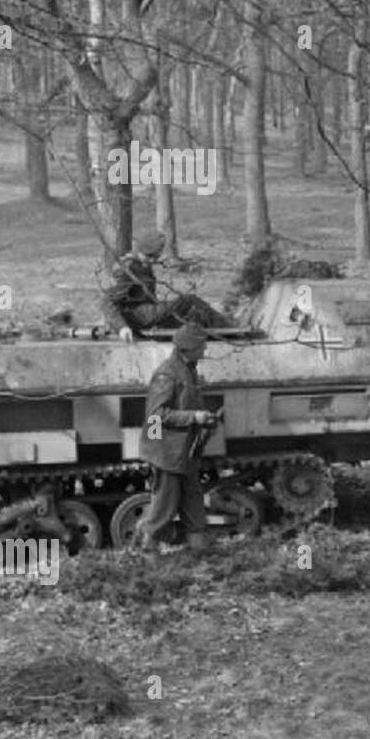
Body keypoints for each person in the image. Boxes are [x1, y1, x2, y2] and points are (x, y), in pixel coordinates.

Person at [135, 322, 218, 552]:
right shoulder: (167, 374)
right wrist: (194, 417)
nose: (205, 350)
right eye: (202, 346)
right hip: (168, 453)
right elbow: (155, 416)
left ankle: (199, 550)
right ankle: (148, 552)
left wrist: (205, 421)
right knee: (164, 506)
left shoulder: (188, 369)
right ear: (188, 348)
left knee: (193, 500)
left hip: (185, 451)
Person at [105, 231, 228, 341]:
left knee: (192, 317)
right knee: (188, 300)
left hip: (148, 314)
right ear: (139, 251)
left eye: (156, 257)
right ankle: (228, 327)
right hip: (137, 316)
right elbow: (107, 303)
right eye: (149, 256)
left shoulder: (142, 265)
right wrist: (122, 327)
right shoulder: (125, 268)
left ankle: (222, 329)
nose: (153, 260)